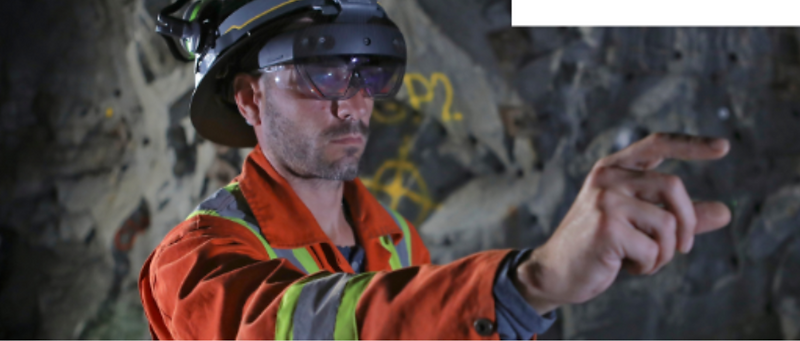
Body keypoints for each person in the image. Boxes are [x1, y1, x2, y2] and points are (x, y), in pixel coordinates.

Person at [140, 0, 733, 339]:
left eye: (367, 70)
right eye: (320, 71)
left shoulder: (394, 239)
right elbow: (289, 328)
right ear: (249, 99)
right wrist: (530, 282)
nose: (353, 102)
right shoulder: (193, 260)